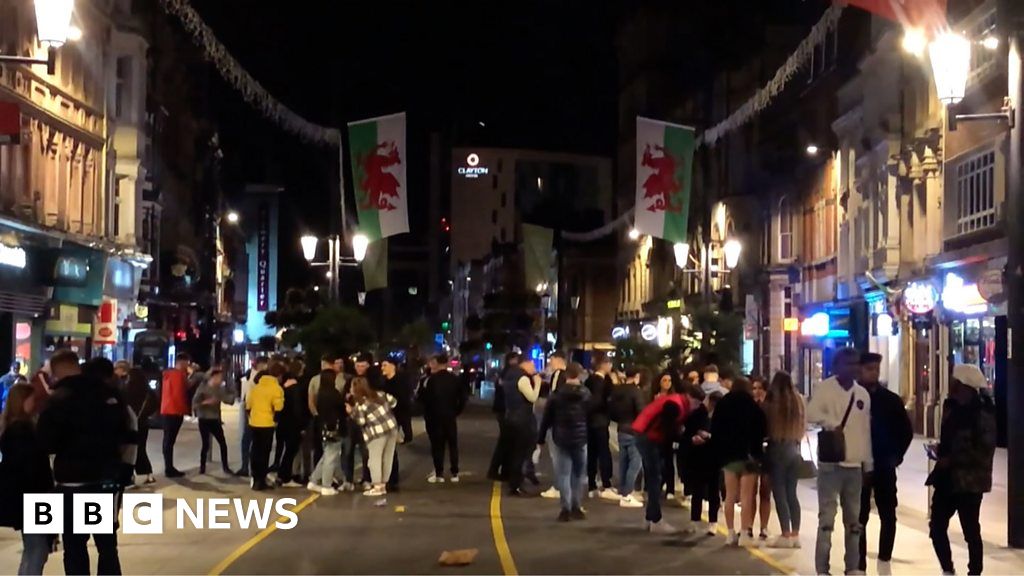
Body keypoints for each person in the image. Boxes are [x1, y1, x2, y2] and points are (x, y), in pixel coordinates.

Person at [37, 350, 131, 575]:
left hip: (72, 484)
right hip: (104, 481)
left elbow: (46, 442)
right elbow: (125, 431)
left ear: (58, 370)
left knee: (75, 546)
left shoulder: (59, 398)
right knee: (107, 546)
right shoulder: (107, 393)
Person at [807, 347, 872, 576]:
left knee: (854, 522)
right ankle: (822, 568)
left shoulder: (862, 394)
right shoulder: (825, 388)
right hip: (830, 465)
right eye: (848, 363)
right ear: (837, 367)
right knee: (827, 519)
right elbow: (811, 413)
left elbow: (866, 432)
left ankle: (852, 567)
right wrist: (831, 423)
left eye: (856, 363)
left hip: (854, 465)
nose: (853, 368)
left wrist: (868, 464)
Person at [928, 364, 996, 576]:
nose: (950, 385)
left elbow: (985, 450)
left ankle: (974, 571)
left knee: (970, 530)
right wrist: (940, 450)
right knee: (937, 527)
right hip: (946, 479)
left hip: (969, 481)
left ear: (963, 385)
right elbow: (950, 439)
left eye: (954, 381)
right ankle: (947, 569)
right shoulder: (950, 408)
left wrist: (954, 459)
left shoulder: (982, 412)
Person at [858, 352, 913, 570]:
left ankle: (884, 558)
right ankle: (859, 561)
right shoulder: (854, 397)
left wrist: (896, 455)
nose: (873, 373)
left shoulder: (890, 400)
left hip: (884, 464)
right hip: (860, 464)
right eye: (869, 368)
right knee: (859, 516)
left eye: (876, 369)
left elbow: (905, 431)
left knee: (888, 513)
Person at [0, 383, 54, 575]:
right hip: (32, 495)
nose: (36, 403)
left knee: (34, 548)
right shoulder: (22, 431)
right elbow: (30, 467)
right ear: (22, 401)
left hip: (24, 496)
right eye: (32, 399)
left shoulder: (13, 428)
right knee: (38, 549)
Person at [711, 376, 768, 547]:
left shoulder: (723, 404)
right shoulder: (753, 407)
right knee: (746, 497)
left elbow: (715, 430)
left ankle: (729, 533)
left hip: (729, 457)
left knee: (729, 496)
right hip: (748, 457)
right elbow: (760, 431)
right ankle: (744, 533)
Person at [632, 373, 691, 534]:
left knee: (654, 476)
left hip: (642, 433)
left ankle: (650, 517)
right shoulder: (676, 404)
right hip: (648, 437)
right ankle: (655, 519)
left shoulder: (673, 400)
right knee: (655, 477)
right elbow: (666, 428)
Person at [537, 362, 591, 521]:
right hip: (581, 438)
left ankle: (565, 508)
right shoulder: (586, 394)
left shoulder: (556, 394)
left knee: (563, 474)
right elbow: (591, 416)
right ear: (580, 375)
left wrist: (540, 438)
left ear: (566, 375)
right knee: (578, 474)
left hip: (560, 437)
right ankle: (576, 506)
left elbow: (547, 417)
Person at [763, 371, 806, 549]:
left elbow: (765, 426)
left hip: (777, 448)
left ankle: (785, 533)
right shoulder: (799, 401)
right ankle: (795, 534)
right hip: (794, 448)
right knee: (792, 493)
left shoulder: (772, 403)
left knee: (779, 492)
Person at [418, 353, 467, 483]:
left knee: (437, 445)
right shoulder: (455, 379)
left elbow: (422, 398)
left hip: (433, 417)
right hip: (450, 416)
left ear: (436, 363)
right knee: (452, 444)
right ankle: (454, 472)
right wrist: (456, 411)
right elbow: (462, 398)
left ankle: (439, 473)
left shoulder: (429, 380)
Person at [349, 376, 399, 498]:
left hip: (376, 433)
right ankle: (383, 485)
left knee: (374, 460)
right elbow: (394, 402)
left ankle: (377, 486)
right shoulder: (381, 394)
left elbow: (361, 421)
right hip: (392, 428)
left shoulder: (361, 405)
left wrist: (351, 411)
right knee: (388, 457)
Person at [683, 387, 721, 536]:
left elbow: (723, 438)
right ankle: (694, 520)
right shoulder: (697, 414)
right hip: (698, 457)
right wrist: (693, 438)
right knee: (697, 490)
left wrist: (709, 437)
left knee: (713, 491)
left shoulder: (722, 418)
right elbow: (686, 434)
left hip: (714, 457)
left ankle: (713, 522)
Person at [503, 359, 543, 496]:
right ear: (524, 365)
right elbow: (532, 397)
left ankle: (513, 483)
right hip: (523, 419)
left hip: (511, 418)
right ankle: (516, 484)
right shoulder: (523, 378)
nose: (534, 368)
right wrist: (537, 384)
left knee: (515, 452)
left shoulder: (509, 375)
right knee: (521, 453)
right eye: (532, 365)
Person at [609, 367, 647, 508]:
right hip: (633, 430)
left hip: (621, 428)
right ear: (636, 376)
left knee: (624, 462)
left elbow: (611, 411)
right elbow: (641, 411)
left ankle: (622, 490)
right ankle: (627, 494)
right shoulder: (636, 392)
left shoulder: (617, 390)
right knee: (635, 463)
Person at [246, 363, 285, 491]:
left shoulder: (255, 388)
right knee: (264, 452)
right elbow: (278, 407)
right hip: (267, 424)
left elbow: (248, 405)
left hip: (254, 423)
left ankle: (255, 478)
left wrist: (251, 417)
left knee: (255, 451)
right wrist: (276, 421)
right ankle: (261, 480)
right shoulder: (276, 388)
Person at [532, 351, 566, 495]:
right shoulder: (563, 376)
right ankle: (563, 486)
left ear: (558, 360)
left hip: (558, 422)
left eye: (551, 360)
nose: (549, 363)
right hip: (565, 422)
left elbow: (554, 400)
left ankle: (559, 486)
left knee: (558, 456)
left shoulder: (559, 375)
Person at [192, 367, 235, 475]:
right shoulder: (202, 389)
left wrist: (232, 391)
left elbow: (230, 400)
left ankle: (225, 467)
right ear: (212, 377)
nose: (220, 379)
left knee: (222, 443)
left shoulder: (220, 389)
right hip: (204, 419)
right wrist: (205, 402)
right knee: (205, 444)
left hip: (215, 419)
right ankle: (202, 467)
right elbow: (194, 405)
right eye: (218, 377)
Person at [584, 353, 616, 499]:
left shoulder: (591, 380)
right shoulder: (599, 381)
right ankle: (606, 483)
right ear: (603, 364)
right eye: (609, 363)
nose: (611, 366)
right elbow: (597, 401)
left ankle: (592, 483)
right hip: (599, 421)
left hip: (590, 421)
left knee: (592, 453)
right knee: (603, 452)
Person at [309, 369, 345, 495]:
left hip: (323, 427)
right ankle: (326, 485)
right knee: (331, 457)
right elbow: (342, 410)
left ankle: (314, 480)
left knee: (327, 455)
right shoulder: (333, 394)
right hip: (333, 428)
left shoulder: (321, 393)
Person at [341, 354, 374, 490]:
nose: (360, 368)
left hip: (365, 421)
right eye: (358, 366)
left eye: (363, 365)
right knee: (347, 451)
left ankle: (367, 479)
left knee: (366, 452)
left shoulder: (372, 380)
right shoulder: (349, 381)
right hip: (350, 421)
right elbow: (343, 397)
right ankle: (348, 480)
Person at [275, 360, 308, 487]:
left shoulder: (283, 387)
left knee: (287, 451)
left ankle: (282, 475)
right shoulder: (296, 388)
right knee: (290, 452)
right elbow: (297, 409)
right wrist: (302, 426)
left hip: (283, 423)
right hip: (293, 425)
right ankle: (285, 477)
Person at [381, 358, 412, 491]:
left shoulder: (400, 382)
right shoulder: (382, 382)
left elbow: (404, 403)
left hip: (395, 420)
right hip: (383, 419)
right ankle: (385, 477)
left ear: (393, 366)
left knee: (391, 450)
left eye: (385, 365)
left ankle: (392, 480)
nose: (382, 368)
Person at [123, 367, 158, 484]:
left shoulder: (126, 389)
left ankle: (130, 476)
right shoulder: (147, 390)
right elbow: (155, 403)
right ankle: (148, 475)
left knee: (130, 450)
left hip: (130, 423)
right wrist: (145, 414)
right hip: (143, 422)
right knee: (142, 449)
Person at [488, 352, 519, 481]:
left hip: (503, 410)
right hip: (505, 410)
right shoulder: (509, 374)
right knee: (506, 441)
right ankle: (498, 470)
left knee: (506, 440)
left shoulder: (505, 373)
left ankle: (501, 470)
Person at [236, 356, 268, 477]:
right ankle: (247, 467)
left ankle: (249, 467)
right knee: (249, 440)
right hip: (252, 410)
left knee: (251, 441)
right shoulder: (252, 375)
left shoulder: (259, 376)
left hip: (255, 410)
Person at [160, 353, 191, 478]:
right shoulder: (179, 375)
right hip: (175, 410)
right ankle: (169, 468)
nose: (188, 365)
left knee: (167, 440)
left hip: (167, 409)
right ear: (182, 362)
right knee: (169, 441)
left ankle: (168, 466)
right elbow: (180, 393)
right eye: (187, 362)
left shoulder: (168, 374)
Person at [751, 375, 773, 541]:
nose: (757, 391)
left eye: (760, 388)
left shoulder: (770, 407)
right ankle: (748, 526)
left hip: (768, 451)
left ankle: (764, 527)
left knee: (765, 491)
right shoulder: (749, 406)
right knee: (750, 491)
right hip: (753, 451)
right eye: (754, 388)